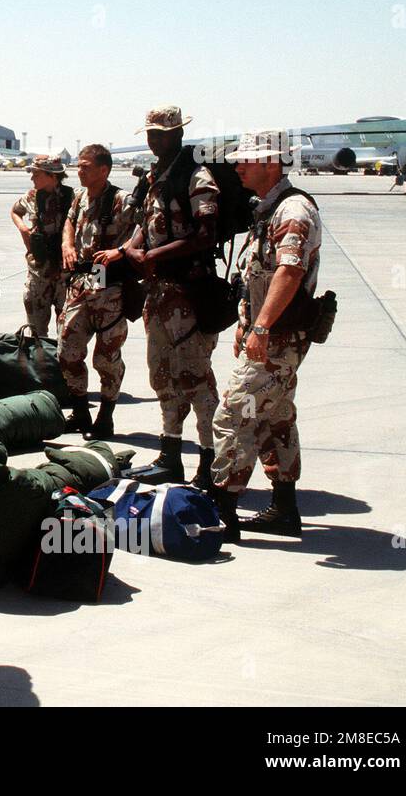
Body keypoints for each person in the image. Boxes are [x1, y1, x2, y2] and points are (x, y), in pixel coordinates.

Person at [208, 130, 322, 540]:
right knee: (276, 418)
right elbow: (258, 276)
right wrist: (246, 323)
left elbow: (289, 272)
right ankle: (285, 509)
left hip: (278, 339)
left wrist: (261, 327)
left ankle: (222, 512)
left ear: (271, 165)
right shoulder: (268, 209)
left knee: (234, 414)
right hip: (271, 336)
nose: (238, 166)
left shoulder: (292, 211)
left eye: (247, 160)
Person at [112, 105, 221, 487]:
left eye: (161, 132)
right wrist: (131, 249)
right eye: (150, 132)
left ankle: (210, 462)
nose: (154, 138)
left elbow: (207, 234)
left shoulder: (197, 175)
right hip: (158, 293)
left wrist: (153, 255)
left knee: (195, 377)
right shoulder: (157, 175)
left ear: (178, 133)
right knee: (162, 375)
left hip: (189, 293)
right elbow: (147, 222)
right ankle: (170, 454)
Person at [59, 144, 138, 439]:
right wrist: (67, 245)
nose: (79, 171)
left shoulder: (121, 200)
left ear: (103, 170)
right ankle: (81, 411)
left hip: (109, 285)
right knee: (67, 352)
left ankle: (106, 416)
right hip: (82, 281)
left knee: (106, 356)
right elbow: (69, 220)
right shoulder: (79, 197)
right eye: (78, 166)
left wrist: (119, 250)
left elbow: (144, 231)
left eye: (85, 166)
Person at [10, 154, 71, 337]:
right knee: (36, 331)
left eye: (36, 174)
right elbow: (15, 211)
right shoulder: (31, 197)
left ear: (52, 176)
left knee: (67, 331)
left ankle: (61, 365)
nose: (32, 178)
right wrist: (23, 229)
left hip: (64, 274)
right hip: (38, 271)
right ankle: (40, 364)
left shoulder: (72, 198)